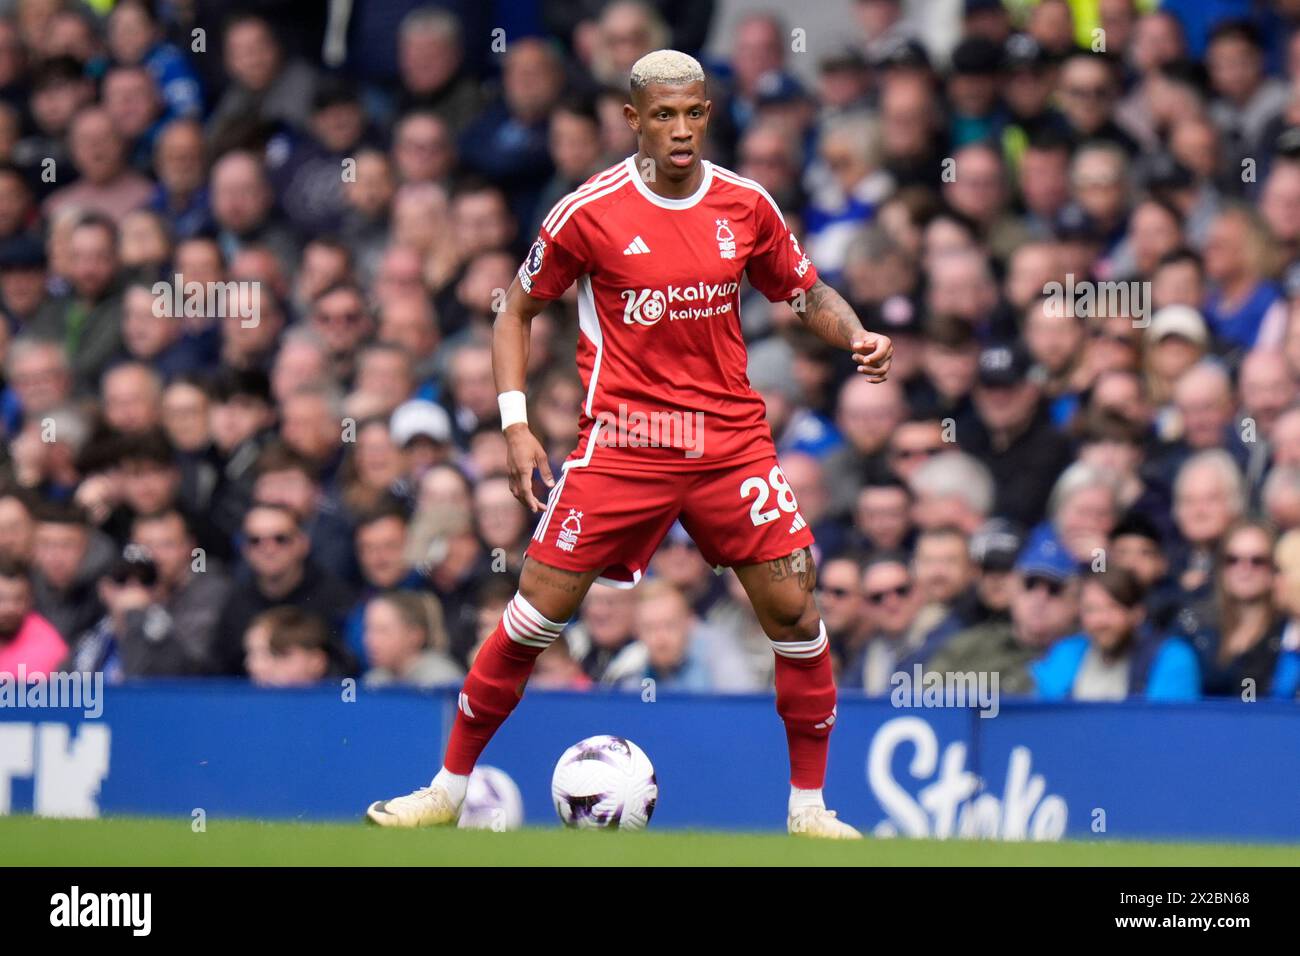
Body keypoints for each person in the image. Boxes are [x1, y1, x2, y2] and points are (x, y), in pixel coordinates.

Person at [366, 50, 894, 839]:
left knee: (794, 605)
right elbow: (514, 310)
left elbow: (805, 289)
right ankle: (444, 790)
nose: (680, 130)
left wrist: (854, 332)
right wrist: (515, 424)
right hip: (624, 443)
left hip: (729, 443)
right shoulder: (589, 211)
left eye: (693, 113)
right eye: (663, 115)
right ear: (633, 120)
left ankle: (809, 809)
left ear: (707, 115)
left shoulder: (747, 205)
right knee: (536, 612)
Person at [1031, 567, 1200, 701]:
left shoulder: (1169, 657)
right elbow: (1045, 712)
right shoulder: (1067, 652)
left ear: (1137, 613)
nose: (1100, 621)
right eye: (1091, 610)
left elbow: (1165, 727)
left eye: (1112, 608)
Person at [0, 556, 65, 677]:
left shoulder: (45, 650)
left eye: (18, 599)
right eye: (1, 599)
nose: (10, 608)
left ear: (30, 601)